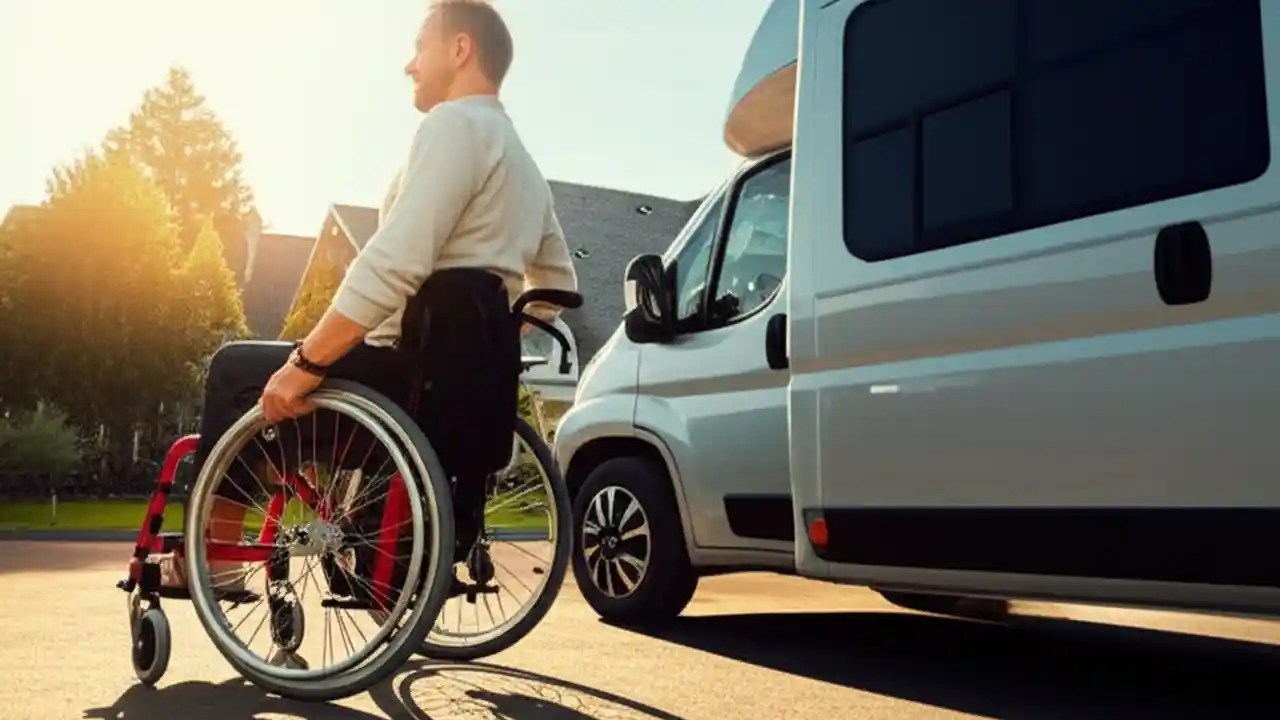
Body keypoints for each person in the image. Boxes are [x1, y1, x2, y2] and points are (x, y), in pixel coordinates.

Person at [160, 0, 578, 595]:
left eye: (420, 48)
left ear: (460, 50)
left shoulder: (454, 126)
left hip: (401, 383)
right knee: (273, 378)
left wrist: (305, 364)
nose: (410, 65)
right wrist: (486, 346)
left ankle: (215, 562)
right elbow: (557, 284)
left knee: (236, 369)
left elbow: (394, 262)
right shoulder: (525, 164)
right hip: (453, 394)